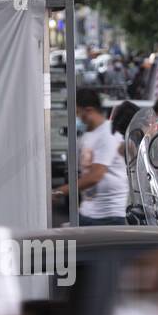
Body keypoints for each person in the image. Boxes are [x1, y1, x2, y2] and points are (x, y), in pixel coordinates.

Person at [55, 88, 128, 225]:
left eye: (78, 112)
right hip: (89, 212)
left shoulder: (107, 133)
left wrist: (61, 191)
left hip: (108, 215)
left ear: (89, 110)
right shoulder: (88, 135)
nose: (77, 117)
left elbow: (95, 176)